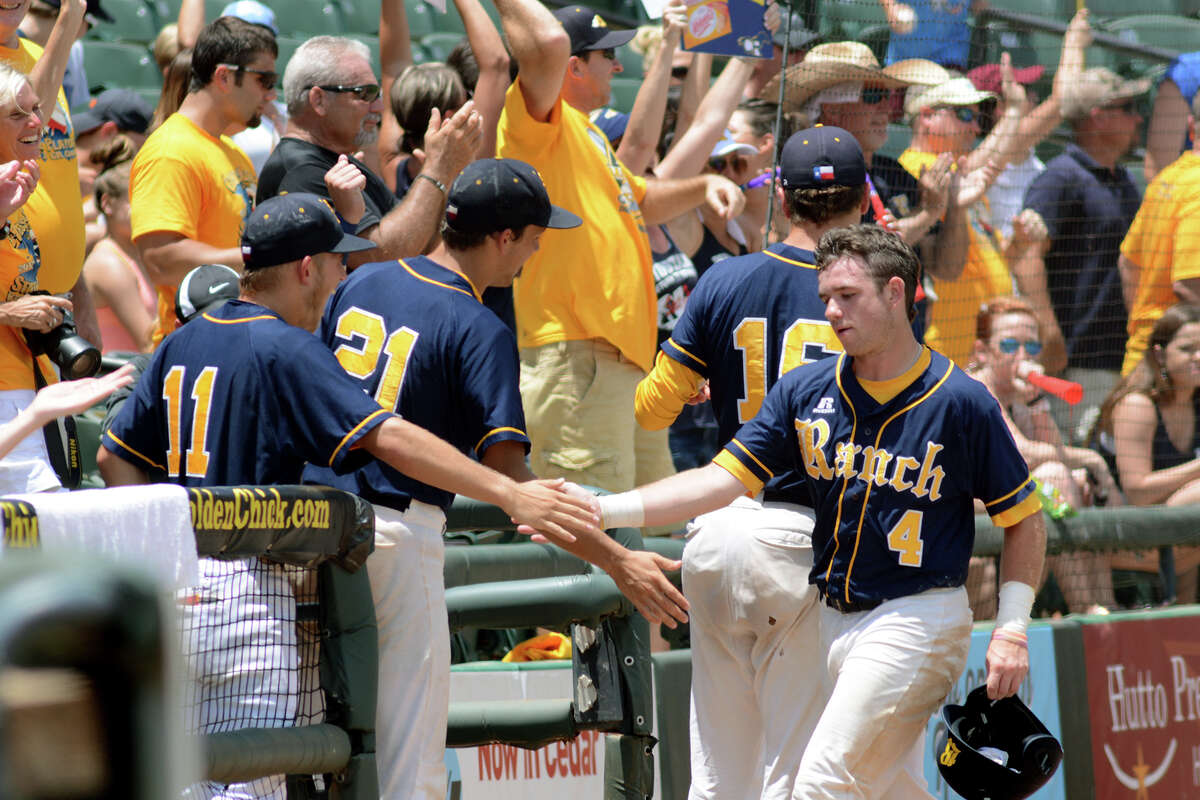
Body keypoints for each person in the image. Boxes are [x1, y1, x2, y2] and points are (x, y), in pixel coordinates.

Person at [98, 192, 603, 799]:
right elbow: (385, 434)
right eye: (336, 261)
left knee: (183, 782)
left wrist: (167, 548)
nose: (343, 274)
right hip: (256, 599)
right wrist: (507, 493)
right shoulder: (285, 346)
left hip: (179, 594)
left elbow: (111, 457)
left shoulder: (183, 339)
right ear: (306, 268)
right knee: (259, 785)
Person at [569, 223, 1046, 798]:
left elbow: (1023, 519)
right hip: (832, 622)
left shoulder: (960, 401)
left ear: (896, 292)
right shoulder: (805, 390)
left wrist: (1012, 629)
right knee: (889, 787)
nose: (833, 311)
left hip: (917, 619)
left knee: (822, 782)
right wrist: (606, 508)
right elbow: (720, 481)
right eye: (826, 298)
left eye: (849, 296)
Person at [305, 158, 688, 799]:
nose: (532, 255)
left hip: (308, 528)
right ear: (503, 237)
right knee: (410, 754)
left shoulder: (362, 283)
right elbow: (520, 488)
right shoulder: (479, 325)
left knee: (307, 737)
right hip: (395, 539)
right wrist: (617, 559)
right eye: (533, 239)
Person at [634, 125, 857, 800]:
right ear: (861, 202)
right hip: (809, 544)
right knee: (798, 771)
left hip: (720, 531)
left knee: (719, 773)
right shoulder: (875, 289)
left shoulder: (726, 278)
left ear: (783, 199)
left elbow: (651, 411)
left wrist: (708, 380)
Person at [493, 0, 744, 495]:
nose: (618, 65)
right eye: (607, 56)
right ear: (574, 67)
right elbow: (544, 45)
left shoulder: (586, 131)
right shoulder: (541, 126)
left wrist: (700, 188)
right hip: (577, 357)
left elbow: (641, 198)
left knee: (653, 527)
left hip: (621, 364)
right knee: (590, 537)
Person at [259, 35, 480, 266]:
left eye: (377, 95)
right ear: (319, 100)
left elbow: (421, 241)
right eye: (364, 94)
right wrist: (438, 169)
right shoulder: (301, 170)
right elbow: (382, 255)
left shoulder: (334, 160)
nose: (379, 107)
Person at [1017, 67, 1148, 441]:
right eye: (1128, 107)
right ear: (1098, 116)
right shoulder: (1061, 177)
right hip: (1074, 364)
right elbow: (1027, 254)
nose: (1138, 117)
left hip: (1118, 357)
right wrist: (1049, 331)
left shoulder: (1123, 179)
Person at [968, 296, 1119, 615]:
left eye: (1032, 347)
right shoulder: (976, 385)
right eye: (1009, 345)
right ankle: (1085, 607)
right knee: (1054, 477)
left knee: (1070, 482)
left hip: (1007, 507)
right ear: (982, 351)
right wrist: (1092, 460)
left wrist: (1037, 403)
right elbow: (1020, 453)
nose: (1023, 356)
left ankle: (1105, 605)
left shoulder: (1021, 393)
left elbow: (1055, 450)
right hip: (964, 509)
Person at [130, 15, 274, 346]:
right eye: (263, 80)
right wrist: (266, 257)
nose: (270, 93)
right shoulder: (171, 150)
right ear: (223, 76)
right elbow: (162, 261)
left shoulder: (230, 151)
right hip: (190, 344)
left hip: (231, 336)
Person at [901, 66, 1034, 366]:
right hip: (943, 349)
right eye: (964, 115)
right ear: (927, 116)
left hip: (973, 353)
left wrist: (1020, 245)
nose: (975, 127)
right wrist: (1013, 112)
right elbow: (992, 158)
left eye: (977, 117)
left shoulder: (961, 178)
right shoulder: (916, 171)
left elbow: (988, 261)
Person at [0, 0, 101, 348]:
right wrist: (69, 19)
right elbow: (26, 120)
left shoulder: (38, 53)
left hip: (53, 312)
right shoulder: (55, 49)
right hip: (10, 309)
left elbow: (59, 184)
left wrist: (79, 291)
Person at [0, 62, 78, 495]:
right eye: (17, 115)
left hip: (27, 384)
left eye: (35, 109)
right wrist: (9, 312)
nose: (35, 122)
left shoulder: (18, 184)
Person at [1097, 303, 1200, 606]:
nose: (1199, 357)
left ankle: (1186, 613)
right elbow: (1138, 491)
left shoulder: (1196, 401)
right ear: (1159, 354)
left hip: (1174, 533)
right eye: (1188, 349)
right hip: (1120, 536)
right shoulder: (1138, 405)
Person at [1118, 88, 1200, 378]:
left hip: (1148, 359)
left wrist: (1148, 330)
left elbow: (1128, 262)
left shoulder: (1169, 177)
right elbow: (1189, 287)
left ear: (1191, 127)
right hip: (1173, 374)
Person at [83, 138, 156, 353]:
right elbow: (147, 342)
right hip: (120, 379)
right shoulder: (108, 262)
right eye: (138, 199)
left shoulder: (139, 254)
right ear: (107, 203)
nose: (150, 208)